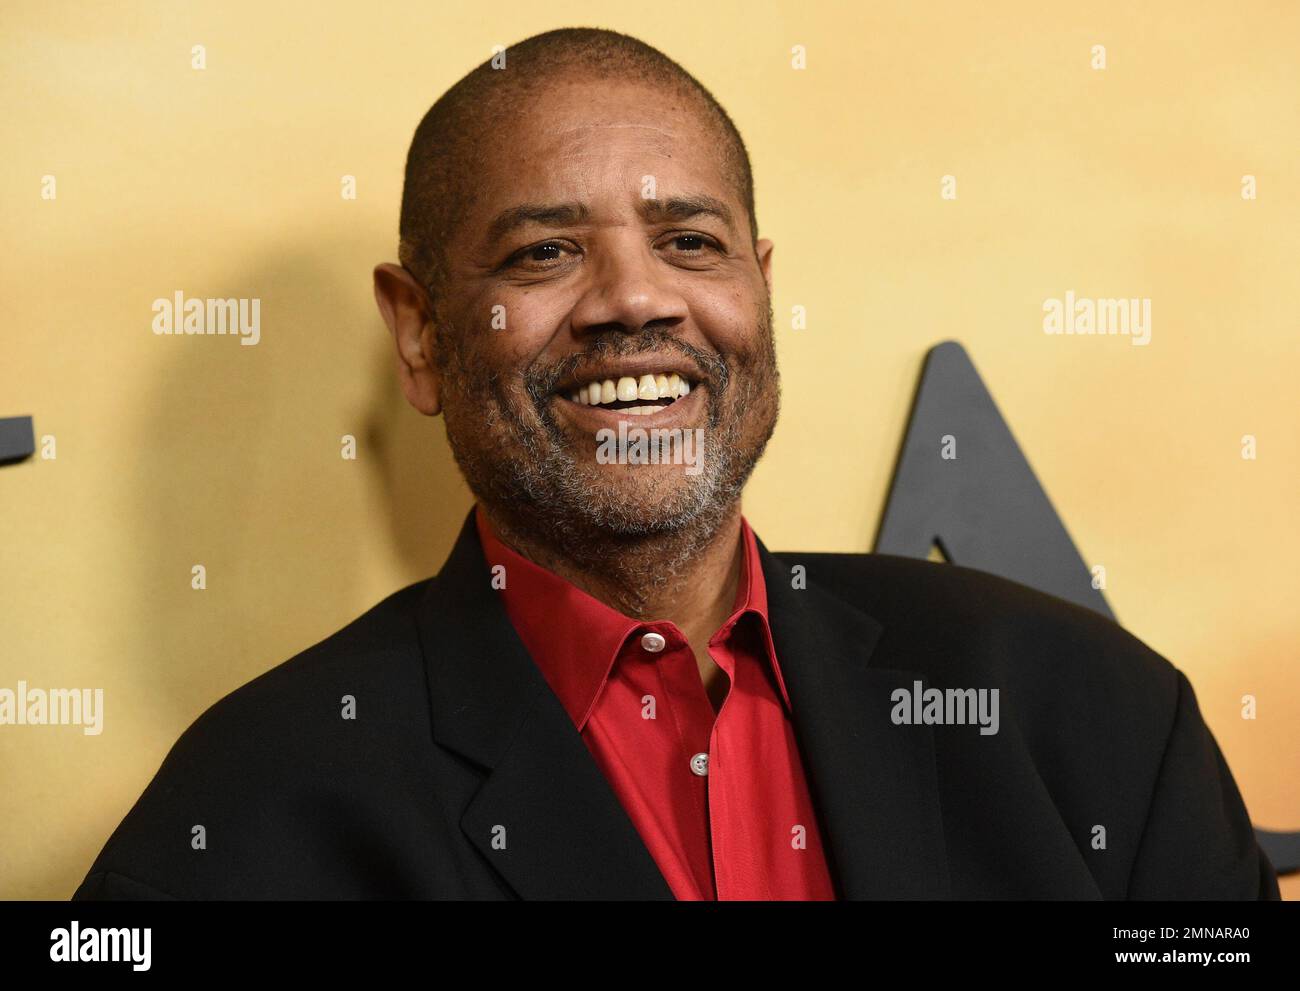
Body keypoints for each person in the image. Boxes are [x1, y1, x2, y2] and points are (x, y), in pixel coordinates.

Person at [73, 27, 1279, 900]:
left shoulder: (1094, 714)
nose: (636, 299)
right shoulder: (246, 819)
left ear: (758, 286)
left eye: (687, 241)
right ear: (421, 332)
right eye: (545, 253)